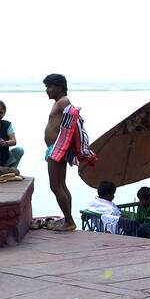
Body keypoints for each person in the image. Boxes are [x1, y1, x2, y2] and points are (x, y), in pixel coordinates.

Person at [43, 73, 96, 231]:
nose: (47, 90)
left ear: (60, 87)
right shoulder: (58, 103)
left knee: (56, 186)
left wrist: (75, 148)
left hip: (58, 149)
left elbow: (74, 120)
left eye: (50, 86)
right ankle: (68, 220)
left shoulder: (64, 101)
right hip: (55, 148)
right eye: (46, 87)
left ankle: (69, 222)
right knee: (61, 185)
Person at [85, 181, 150, 240]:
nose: (114, 196)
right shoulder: (109, 209)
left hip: (102, 228)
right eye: (113, 194)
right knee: (141, 227)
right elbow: (118, 219)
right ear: (107, 195)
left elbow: (86, 214)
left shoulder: (93, 204)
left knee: (142, 226)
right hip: (120, 231)